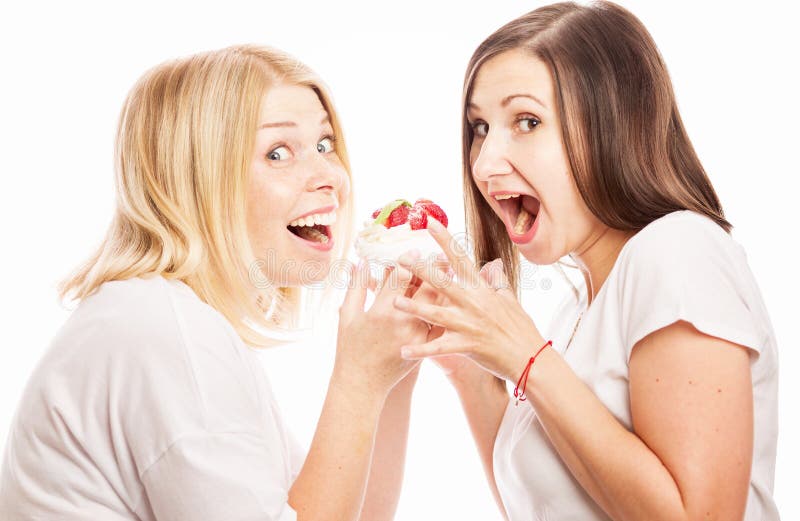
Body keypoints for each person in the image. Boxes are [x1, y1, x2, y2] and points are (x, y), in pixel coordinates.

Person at [0, 45, 430, 521]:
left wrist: (394, 374)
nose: (330, 175)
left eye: (325, 145)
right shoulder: (166, 336)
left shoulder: (169, 318)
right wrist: (358, 379)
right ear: (195, 180)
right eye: (278, 152)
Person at [391, 2, 780, 520]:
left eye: (527, 121)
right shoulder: (576, 309)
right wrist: (468, 370)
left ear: (612, 126)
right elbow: (543, 507)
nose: (484, 165)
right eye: (480, 128)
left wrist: (527, 357)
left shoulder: (679, 250)